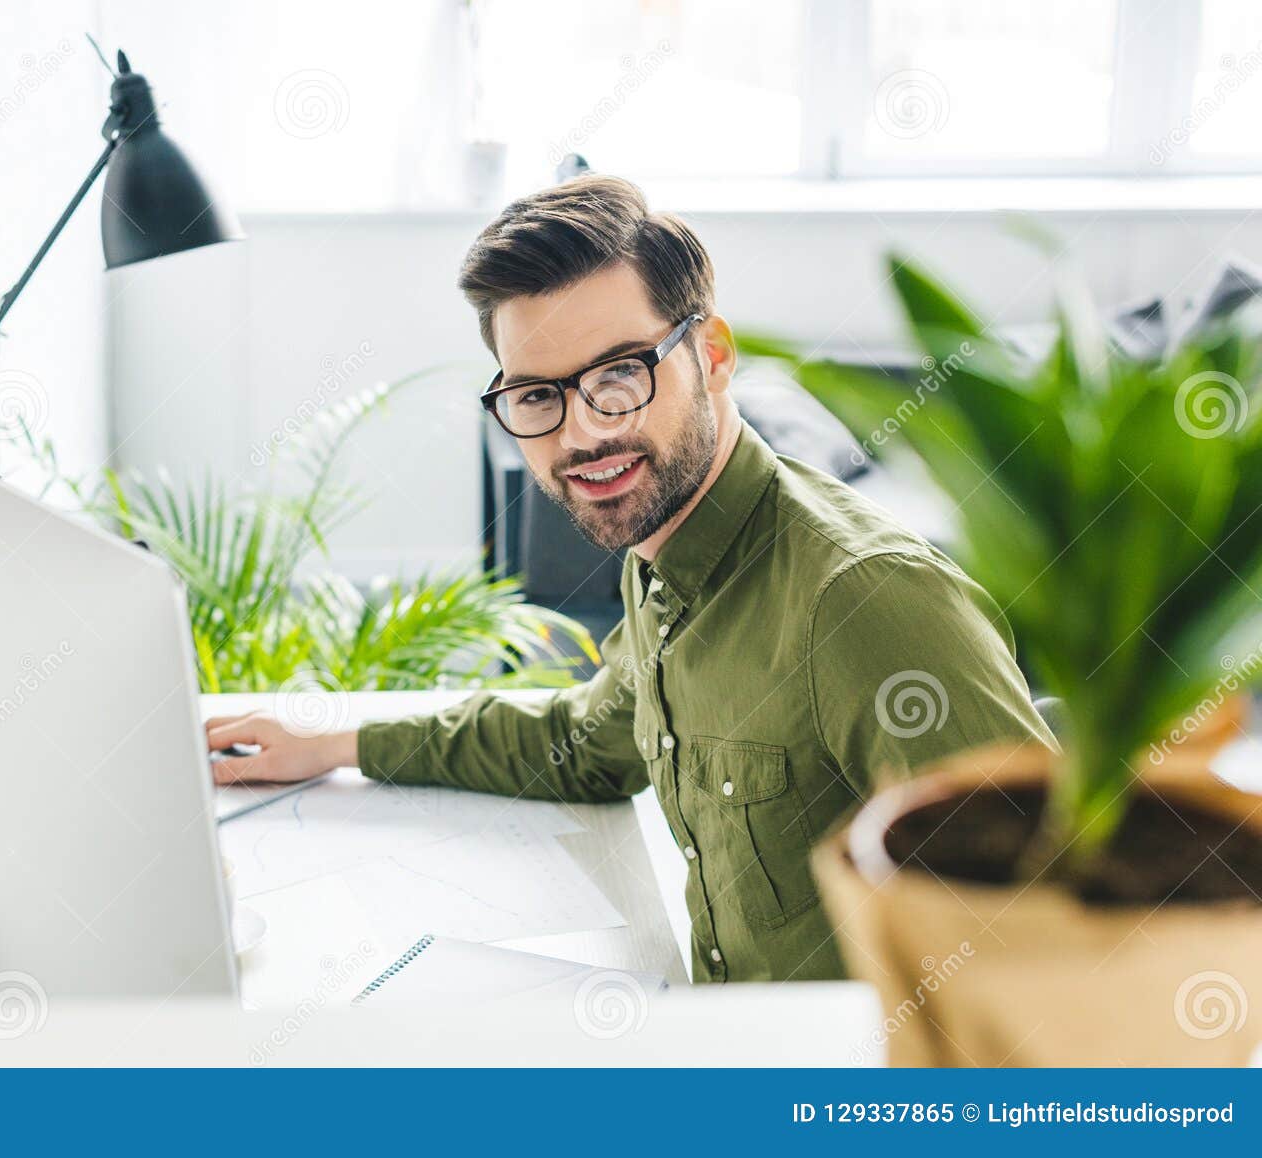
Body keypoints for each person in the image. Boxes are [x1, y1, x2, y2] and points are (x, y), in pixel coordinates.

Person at [207, 175, 1052, 982]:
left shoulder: (865, 600)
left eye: (619, 377)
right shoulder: (662, 561)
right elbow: (586, 739)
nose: (582, 434)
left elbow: (1042, 943)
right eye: (537, 395)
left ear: (713, 356)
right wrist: (336, 744)